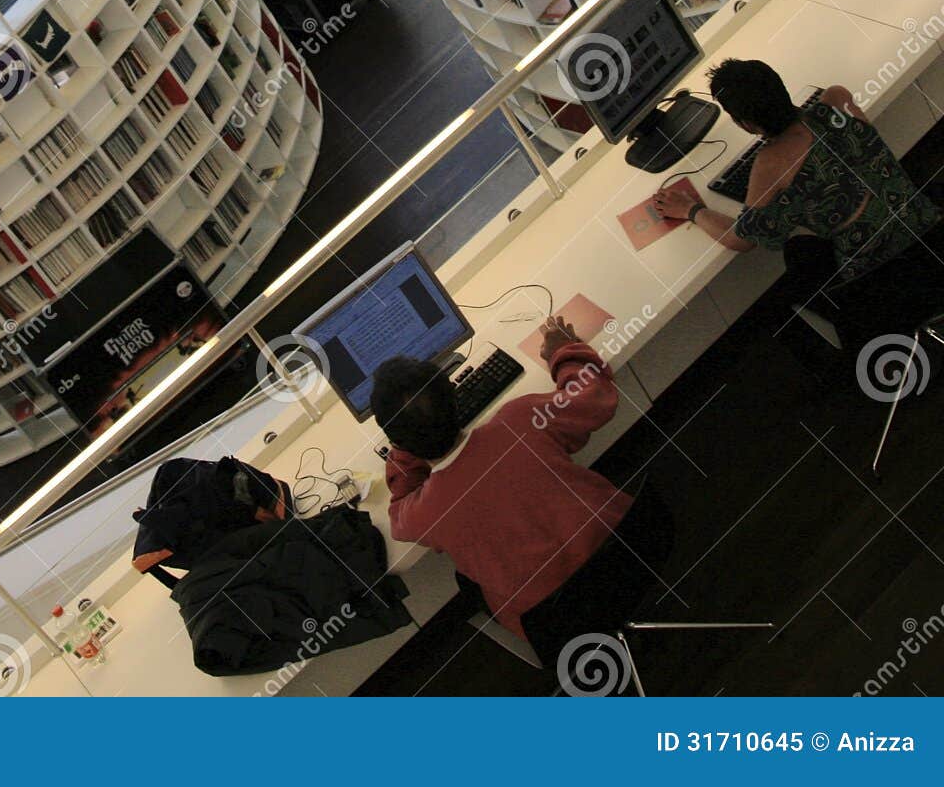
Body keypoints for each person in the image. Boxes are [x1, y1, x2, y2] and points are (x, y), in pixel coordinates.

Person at [372, 317, 632, 644]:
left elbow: (398, 516)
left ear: (399, 443)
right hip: (629, 547)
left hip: (556, 622)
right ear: (455, 398)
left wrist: (403, 451)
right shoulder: (521, 419)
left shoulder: (425, 512)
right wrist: (564, 352)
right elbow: (595, 397)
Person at [656, 58, 943, 339]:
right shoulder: (837, 99)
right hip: (931, 232)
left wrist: (691, 209)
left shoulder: (770, 164)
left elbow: (741, 239)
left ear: (746, 124)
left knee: (798, 252)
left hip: (883, 278)